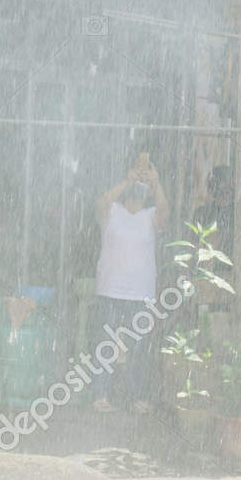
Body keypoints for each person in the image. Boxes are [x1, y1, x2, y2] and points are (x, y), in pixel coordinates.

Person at [92, 154, 169, 413]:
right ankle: (100, 396)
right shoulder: (112, 212)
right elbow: (100, 203)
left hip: (140, 293)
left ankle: (138, 398)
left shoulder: (150, 216)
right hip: (110, 290)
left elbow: (165, 215)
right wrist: (128, 180)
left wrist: (157, 184)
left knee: (138, 349)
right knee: (105, 344)